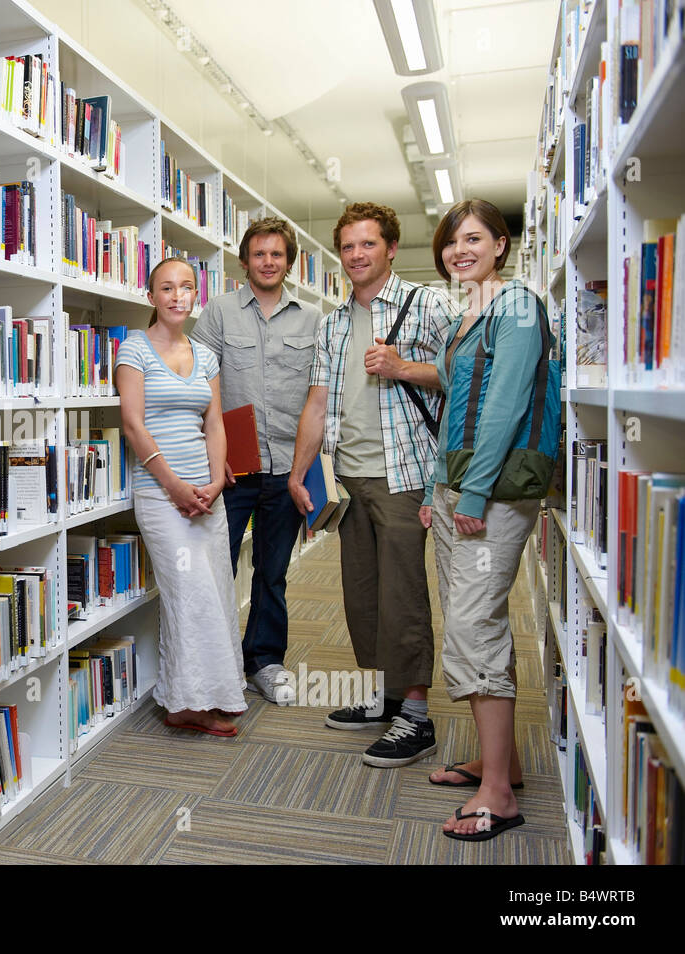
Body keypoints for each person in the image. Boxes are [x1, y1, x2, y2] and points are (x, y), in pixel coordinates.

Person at [288, 202, 454, 767]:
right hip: (347, 480)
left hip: (405, 475)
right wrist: (298, 472)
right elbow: (316, 402)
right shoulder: (333, 321)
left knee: (403, 593)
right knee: (362, 594)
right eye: (349, 246)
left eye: (368, 244)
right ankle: (385, 697)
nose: (357, 255)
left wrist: (405, 366)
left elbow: (467, 374)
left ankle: (417, 716)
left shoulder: (427, 302)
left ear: (389, 247)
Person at [420, 199, 550, 840]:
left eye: (473, 238)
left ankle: (498, 796)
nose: (458, 250)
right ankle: (503, 761)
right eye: (450, 242)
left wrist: (469, 494)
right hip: (457, 488)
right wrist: (434, 487)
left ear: (501, 243)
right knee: (473, 625)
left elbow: (503, 405)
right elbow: (454, 411)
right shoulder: (466, 312)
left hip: (494, 494)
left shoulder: (518, 306)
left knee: (474, 624)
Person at [191, 217, 323, 705]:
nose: (269, 262)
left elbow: (319, 396)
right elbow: (200, 388)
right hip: (231, 469)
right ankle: (216, 662)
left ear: (289, 261)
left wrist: (305, 468)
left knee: (273, 570)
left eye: (278, 254)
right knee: (215, 567)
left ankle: (264, 661)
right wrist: (213, 455)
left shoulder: (312, 320)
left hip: (288, 469)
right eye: (259, 254)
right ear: (244, 260)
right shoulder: (219, 313)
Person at [116, 257, 247, 736]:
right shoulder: (134, 350)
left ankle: (194, 696)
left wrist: (214, 482)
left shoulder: (206, 355)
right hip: (159, 493)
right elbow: (133, 424)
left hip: (208, 496)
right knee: (188, 594)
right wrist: (174, 486)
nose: (177, 296)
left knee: (215, 590)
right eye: (166, 288)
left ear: (197, 296)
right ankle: (192, 702)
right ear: (151, 296)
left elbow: (214, 423)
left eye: (186, 287)